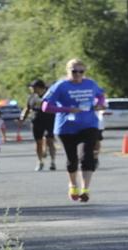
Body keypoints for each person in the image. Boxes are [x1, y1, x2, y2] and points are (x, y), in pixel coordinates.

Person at [41, 59, 106, 202]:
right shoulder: (60, 86)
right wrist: (67, 109)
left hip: (89, 125)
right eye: (74, 71)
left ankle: (85, 189)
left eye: (81, 71)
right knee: (72, 160)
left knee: (87, 156)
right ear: (68, 71)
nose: (78, 74)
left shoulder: (90, 84)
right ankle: (72, 185)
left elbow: (100, 95)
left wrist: (99, 104)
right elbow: (45, 107)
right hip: (66, 128)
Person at [26, 79, 56, 171]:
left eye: (33, 87)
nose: (32, 89)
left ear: (39, 87)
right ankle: (40, 161)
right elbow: (27, 108)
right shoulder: (31, 97)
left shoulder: (50, 95)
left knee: (50, 141)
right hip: (36, 121)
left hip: (49, 120)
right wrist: (22, 118)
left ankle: (53, 161)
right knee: (38, 142)